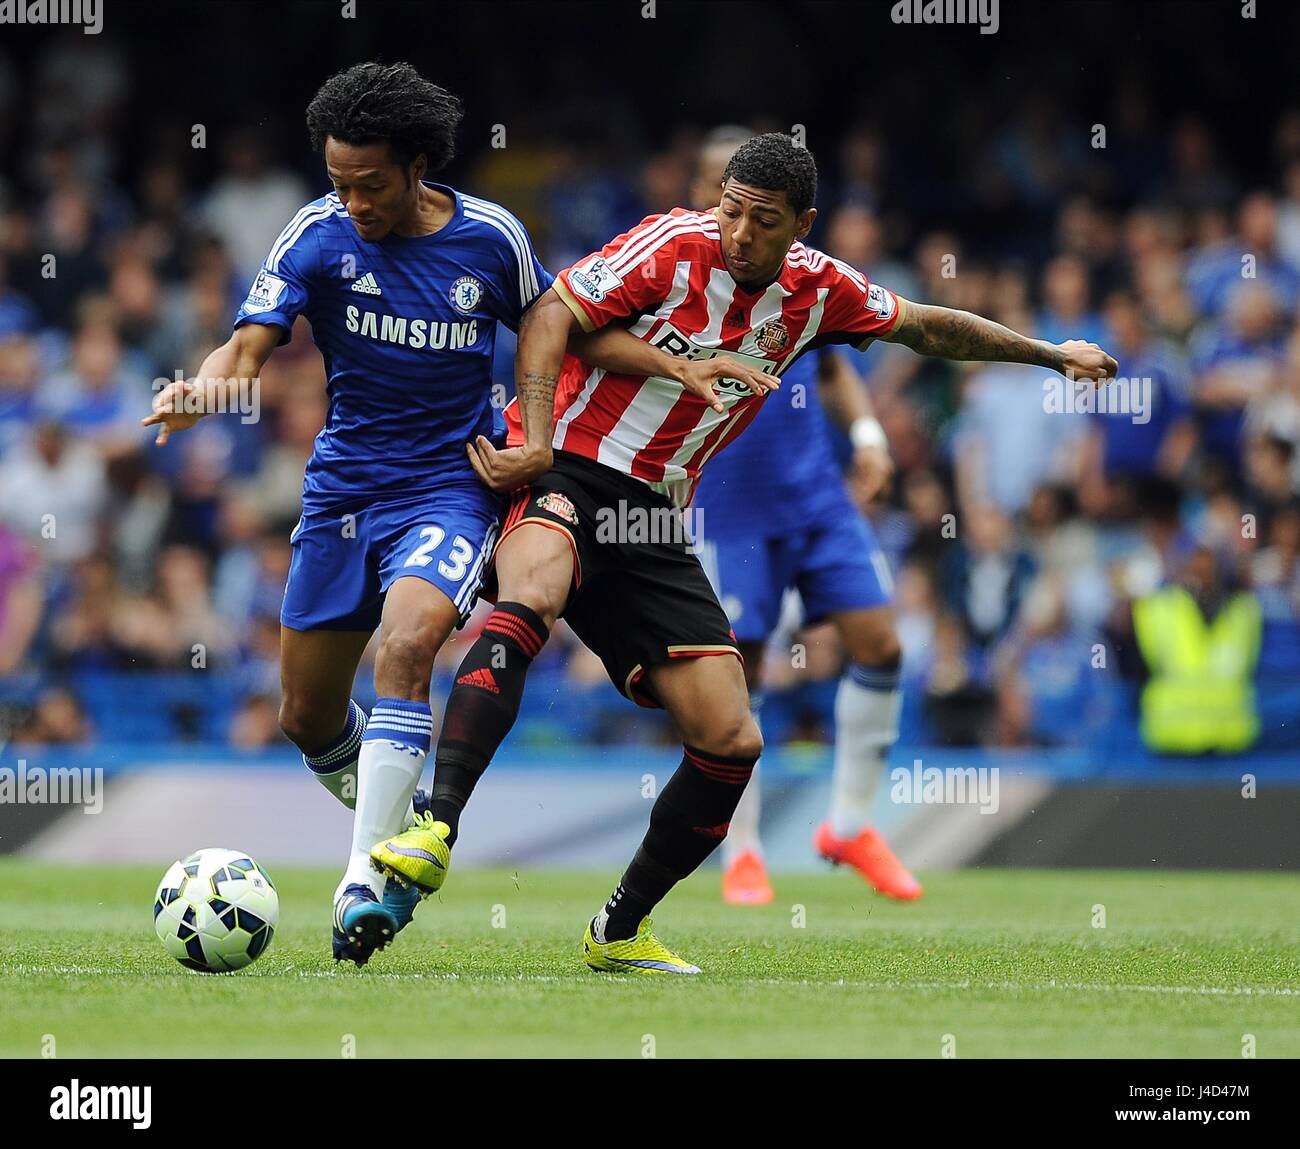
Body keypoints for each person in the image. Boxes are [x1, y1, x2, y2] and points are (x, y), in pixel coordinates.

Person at [374, 133, 1116, 974]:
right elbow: (552, 315)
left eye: (761, 221)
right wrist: (539, 439)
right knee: (534, 590)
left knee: (732, 737)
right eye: (729, 208)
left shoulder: (821, 290)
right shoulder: (670, 244)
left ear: (800, 224)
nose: (736, 232)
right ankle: (435, 825)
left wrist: (1048, 353)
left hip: (654, 515)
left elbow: (925, 326)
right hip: (571, 467)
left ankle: (618, 929)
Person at [141, 61, 716, 967]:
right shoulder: (318, 235)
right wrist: (198, 391)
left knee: (408, 641)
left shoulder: (490, 238)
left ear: (416, 168)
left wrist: (637, 376)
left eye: (369, 184)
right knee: (304, 712)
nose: (354, 201)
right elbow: (246, 346)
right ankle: (400, 813)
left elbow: (551, 325)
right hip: (342, 493)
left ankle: (366, 882)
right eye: (338, 182)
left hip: (452, 484)